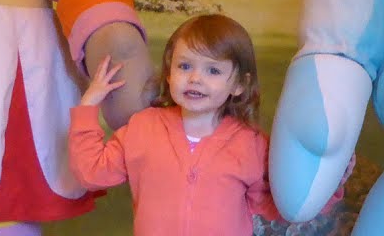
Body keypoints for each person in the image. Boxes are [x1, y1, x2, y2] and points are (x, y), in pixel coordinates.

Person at [68, 14, 345, 235]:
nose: (196, 79)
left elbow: (281, 207)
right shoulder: (142, 128)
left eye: (213, 70)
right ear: (169, 72)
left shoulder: (251, 143)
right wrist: (88, 106)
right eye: (185, 66)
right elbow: (92, 173)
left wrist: (330, 184)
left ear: (239, 85)